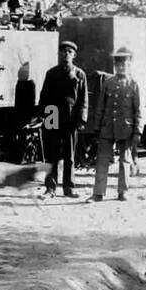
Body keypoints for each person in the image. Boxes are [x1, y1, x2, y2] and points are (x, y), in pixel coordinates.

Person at [89, 46, 142, 202]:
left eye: (124, 64)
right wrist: (97, 127)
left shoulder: (133, 84)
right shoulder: (108, 83)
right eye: (118, 64)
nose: (121, 67)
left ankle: (122, 191)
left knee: (125, 160)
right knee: (102, 160)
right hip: (107, 127)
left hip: (126, 128)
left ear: (129, 64)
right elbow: (100, 107)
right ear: (114, 66)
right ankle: (98, 193)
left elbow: (138, 110)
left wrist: (138, 131)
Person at [38, 40, 88, 197]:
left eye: (69, 52)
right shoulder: (51, 73)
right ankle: (50, 188)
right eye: (63, 51)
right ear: (59, 54)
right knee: (51, 154)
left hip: (71, 119)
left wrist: (81, 120)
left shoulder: (80, 74)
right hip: (53, 116)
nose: (66, 54)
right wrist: (44, 117)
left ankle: (69, 188)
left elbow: (83, 100)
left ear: (74, 55)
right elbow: (44, 97)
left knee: (69, 156)